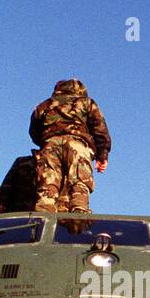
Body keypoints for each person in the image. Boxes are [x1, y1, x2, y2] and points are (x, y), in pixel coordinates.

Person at [29, 78, 111, 213]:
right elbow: (100, 129)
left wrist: (45, 142)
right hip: (77, 145)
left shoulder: (44, 105)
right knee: (79, 181)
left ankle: (42, 217)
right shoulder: (87, 102)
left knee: (48, 184)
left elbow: (34, 131)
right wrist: (102, 155)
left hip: (50, 145)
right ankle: (79, 213)